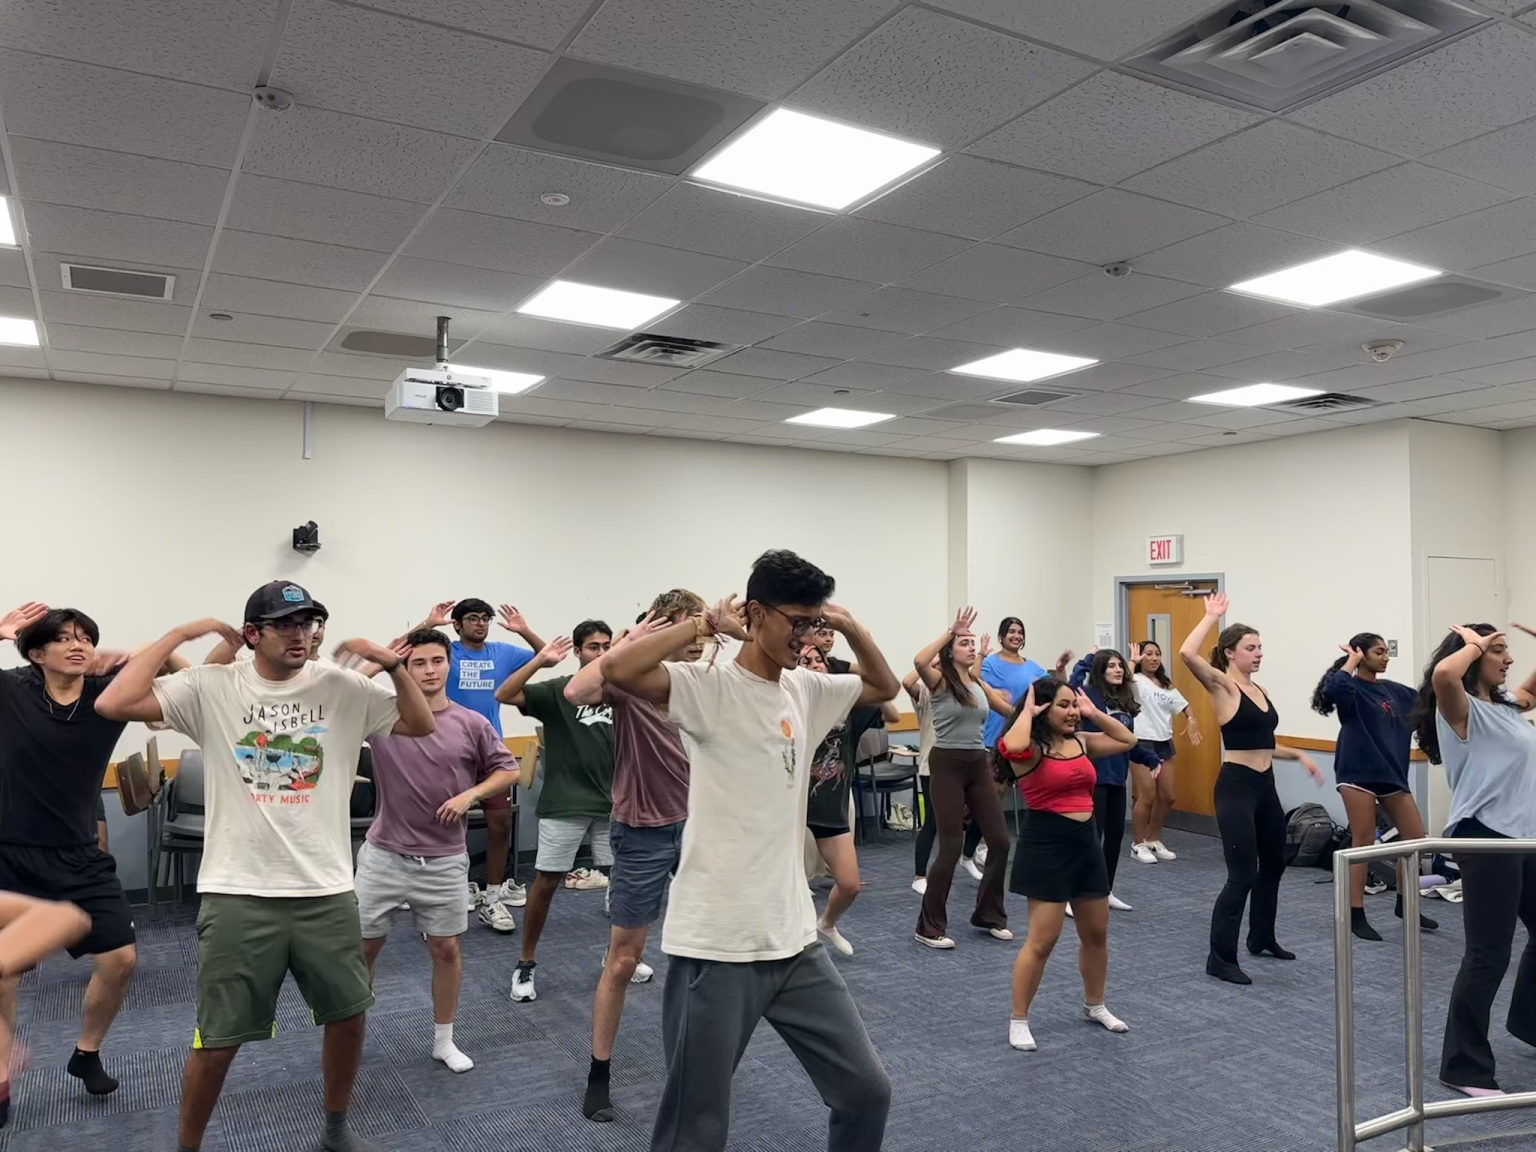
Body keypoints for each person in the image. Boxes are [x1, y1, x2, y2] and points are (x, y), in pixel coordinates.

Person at [94, 580, 436, 1152]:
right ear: (252, 634)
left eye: (307, 623)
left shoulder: (342, 687)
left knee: (348, 1016)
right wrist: (181, 633)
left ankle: (334, 1128)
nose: (299, 633)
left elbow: (419, 724)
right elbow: (114, 703)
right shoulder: (212, 686)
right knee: (219, 1038)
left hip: (325, 888)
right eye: (285, 624)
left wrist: (395, 666)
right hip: (238, 891)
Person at [604, 550, 898, 1152]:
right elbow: (619, 671)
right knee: (696, 1128)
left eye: (814, 623)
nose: (806, 636)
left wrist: (847, 626)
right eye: (798, 621)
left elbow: (884, 687)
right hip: (716, 944)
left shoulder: (806, 691)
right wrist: (705, 624)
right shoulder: (707, 686)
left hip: (793, 940)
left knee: (867, 1093)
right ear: (756, 613)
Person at [0, 602, 172, 1117]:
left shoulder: (108, 696)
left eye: (86, 638)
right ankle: (2, 1072)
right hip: (11, 851)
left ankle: (86, 1052)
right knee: (5, 971)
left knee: (121, 959)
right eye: (64, 638)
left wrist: (138, 651)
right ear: (35, 653)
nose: (79, 646)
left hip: (79, 854)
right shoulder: (10, 691)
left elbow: (182, 669)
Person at [563, 592, 704, 1123]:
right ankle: (599, 1073)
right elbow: (578, 689)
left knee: (704, 957)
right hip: (642, 829)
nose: (693, 642)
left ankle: (696, 1068)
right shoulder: (630, 677)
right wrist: (631, 639)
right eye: (684, 631)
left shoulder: (708, 675)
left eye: (697, 632)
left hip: (702, 829)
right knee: (623, 960)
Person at [355, 628, 520, 1074]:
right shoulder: (383, 716)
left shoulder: (471, 722)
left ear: (450, 664)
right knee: (363, 949)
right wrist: (386, 656)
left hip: (445, 858)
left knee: (446, 948)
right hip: (385, 854)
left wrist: (470, 796)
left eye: (436, 661)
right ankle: (349, 1031)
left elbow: (508, 771)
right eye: (418, 663)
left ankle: (443, 1040)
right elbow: (345, 687)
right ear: (405, 669)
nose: (429, 671)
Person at [1410, 623, 1536, 1098]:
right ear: (1473, 655)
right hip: (1485, 835)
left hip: (1523, 837)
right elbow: (1444, 673)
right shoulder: (1459, 709)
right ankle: (1462, 1067)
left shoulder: (1504, 707)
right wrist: (1475, 644)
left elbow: (1529, 689)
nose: (1506, 659)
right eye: (1497, 652)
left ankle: (1529, 1024)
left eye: (1507, 651)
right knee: (1488, 954)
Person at [1179, 593, 1322, 986]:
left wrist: (1300, 756)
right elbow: (1187, 654)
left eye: (1260, 647)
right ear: (1230, 653)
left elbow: (1262, 742)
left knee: (1274, 864)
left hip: (1265, 785)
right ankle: (1220, 957)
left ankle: (1261, 937)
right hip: (1237, 787)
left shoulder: (1259, 690)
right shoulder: (1223, 686)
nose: (1259, 654)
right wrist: (1210, 616)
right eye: (1251, 648)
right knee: (1241, 874)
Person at [997, 678, 1138, 1051]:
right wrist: (1025, 712)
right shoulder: (1031, 751)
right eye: (1064, 705)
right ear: (1043, 708)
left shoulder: (1082, 742)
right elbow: (1012, 745)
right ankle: (1018, 1019)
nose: (1072, 711)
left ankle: (1096, 1005)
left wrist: (1094, 713)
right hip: (1046, 846)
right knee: (1042, 941)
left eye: (1074, 704)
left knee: (1096, 935)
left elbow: (1128, 741)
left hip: (1085, 844)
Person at [494, 622, 614, 1004]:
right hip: (567, 801)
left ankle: (622, 954)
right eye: (593, 647)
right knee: (546, 883)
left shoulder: (623, 690)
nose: (601, 652)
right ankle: (526, 962)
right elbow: (506, 693)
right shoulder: (559, 690)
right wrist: (540, 661)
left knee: (625, 886)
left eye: (607, 646)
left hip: (616, 803)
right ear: (578, 651)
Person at [421, 598, 547, 931]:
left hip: (490, 750)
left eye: (485, 618)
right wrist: (430, 624)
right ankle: (451, 893)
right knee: (446, 825)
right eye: (473, 618)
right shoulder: (447, 653)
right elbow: (405, 653)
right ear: (458, 624)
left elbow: (546, 657)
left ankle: (492, 898)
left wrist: (524, 630)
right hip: (447, 750)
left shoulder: (502, 653)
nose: (480, 624)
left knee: (500, 824)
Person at [1312, 632, 1435, 942]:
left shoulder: (1396, 691)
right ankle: (1356, 913)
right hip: (1357, 773)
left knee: (1415, 840)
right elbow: (1333, 687)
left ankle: (1405, 904)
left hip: (1391, 774)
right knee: (1363, 841)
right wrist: (1351, 660)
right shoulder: (1350, 688)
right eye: (1378, 652)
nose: (1385, 657)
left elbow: (1431, 698)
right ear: (1361, 654)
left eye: (1386, 652)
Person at [913, 608, 1015, 950]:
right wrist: (949, 630)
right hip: (947, 763)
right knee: (951, 846)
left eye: (973, 643)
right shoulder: (940, 682)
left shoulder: (978, 683)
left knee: (1000, 841)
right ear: (951, 650)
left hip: (978, 763)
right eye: (963, 643)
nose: (971, 647)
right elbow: (918, 661)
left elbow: (1010, 711)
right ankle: (928, 926)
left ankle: (989, 915)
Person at [1069, 649, 1161, 912]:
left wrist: (1150, 759)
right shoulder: (1089, 694)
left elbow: (1127, 743)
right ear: (1100, 670)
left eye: (1120, 665)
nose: (1118, 670)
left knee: (1114, 838)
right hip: (1093, 778)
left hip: (1116, 779)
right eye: (1111, 666)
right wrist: (1087, 660)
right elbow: (1071, 685)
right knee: (1090, 839)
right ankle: (1073, 894)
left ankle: (1104, 891)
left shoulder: (1123, 702)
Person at [797, 644, 869, 957]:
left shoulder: (846, 701)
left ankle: (826, 922)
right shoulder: (787, 701)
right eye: (805, 661)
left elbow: (889, 699)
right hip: (794, 809)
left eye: (819, 660)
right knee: (791, 889)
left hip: (831, 806)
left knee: (850, 884)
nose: (815, 665)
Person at [1130, 640, 1201, 864]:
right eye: (1148, 654)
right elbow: (1123, 680)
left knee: (1168, 796)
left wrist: (1192, 720)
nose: (1154, 658)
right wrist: (1132, 661)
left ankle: (1152, 838)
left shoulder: (1165, 684)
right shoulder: (1135, 680)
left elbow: (1185, 706)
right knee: (1147, 795)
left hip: (1164, 742)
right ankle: (1138, 843)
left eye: (1157, 654)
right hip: (1141, 742)